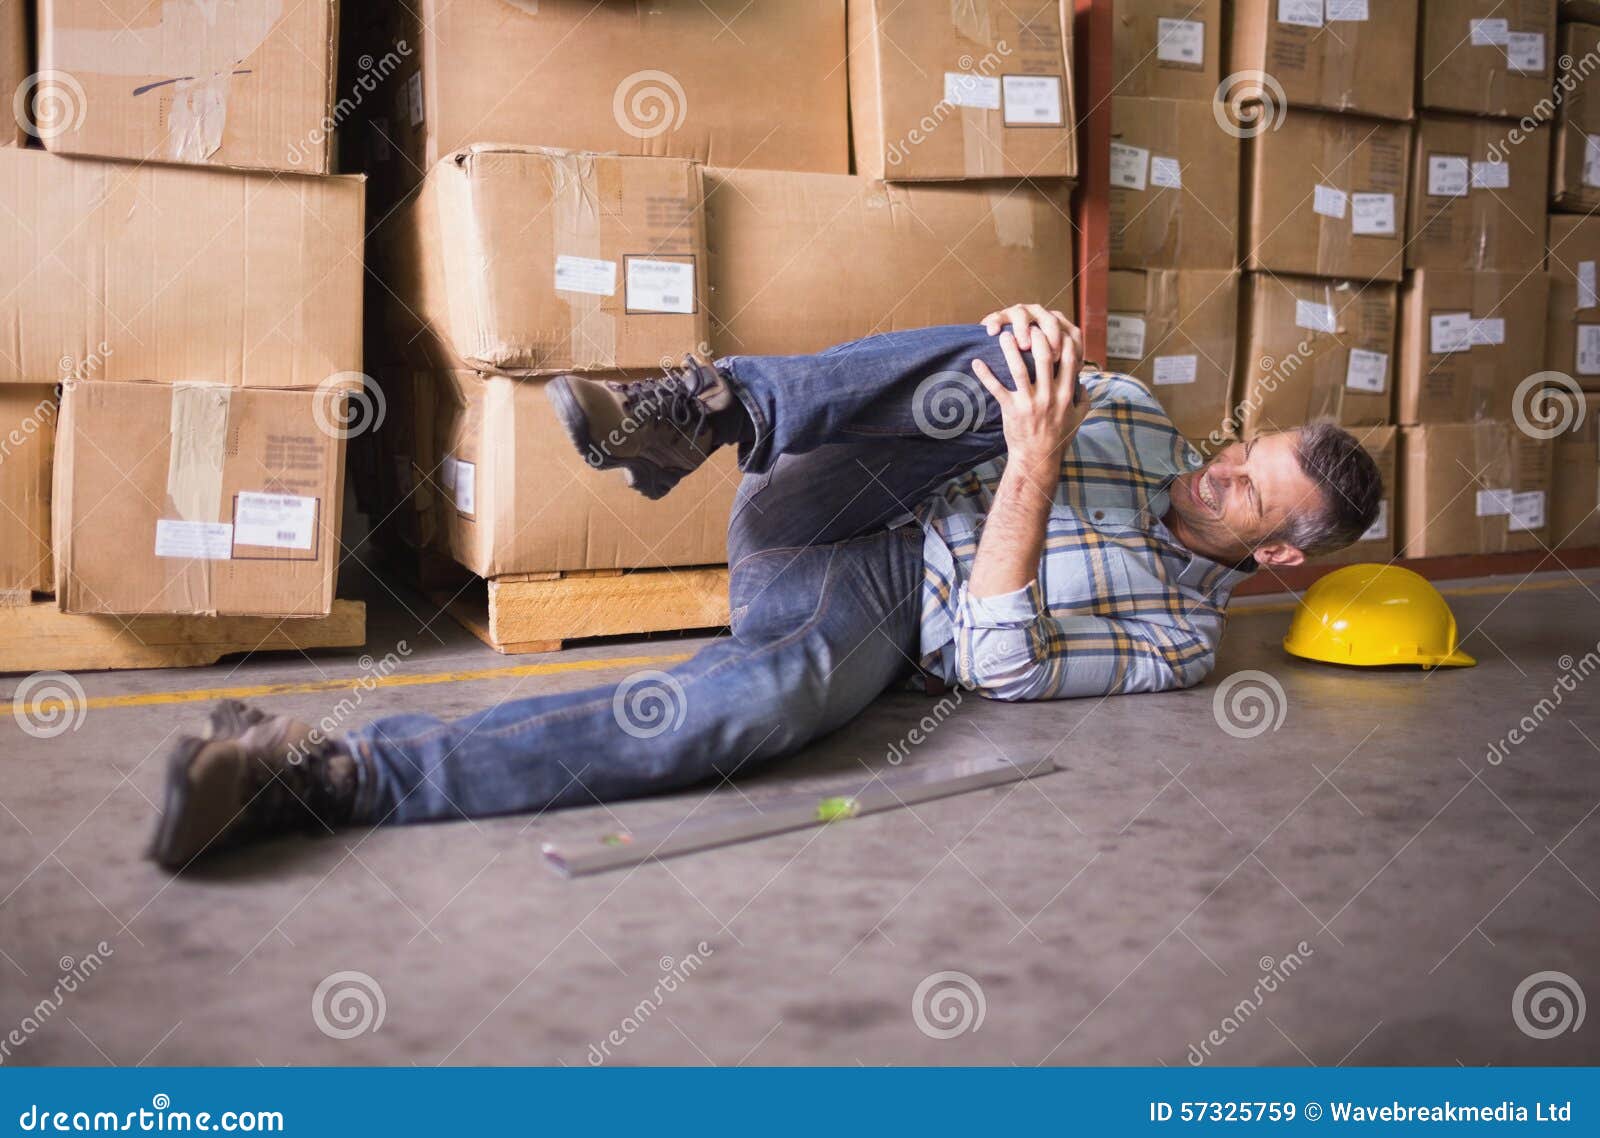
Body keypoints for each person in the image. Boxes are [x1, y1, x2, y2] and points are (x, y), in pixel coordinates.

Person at [147, 307, 1383, 871]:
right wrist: (1039, 365)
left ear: (1278, 555)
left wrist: (1038, 459)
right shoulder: (1144, 416)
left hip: (879, 599)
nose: (1213, 471)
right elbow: (949, 390)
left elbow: (997, 662)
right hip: (829, 486)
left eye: (1244, 494)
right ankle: (692, 416)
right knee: (1013, 354)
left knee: (754, 707)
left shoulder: (1175, 639)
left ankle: (320, 774)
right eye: (1238, 450)